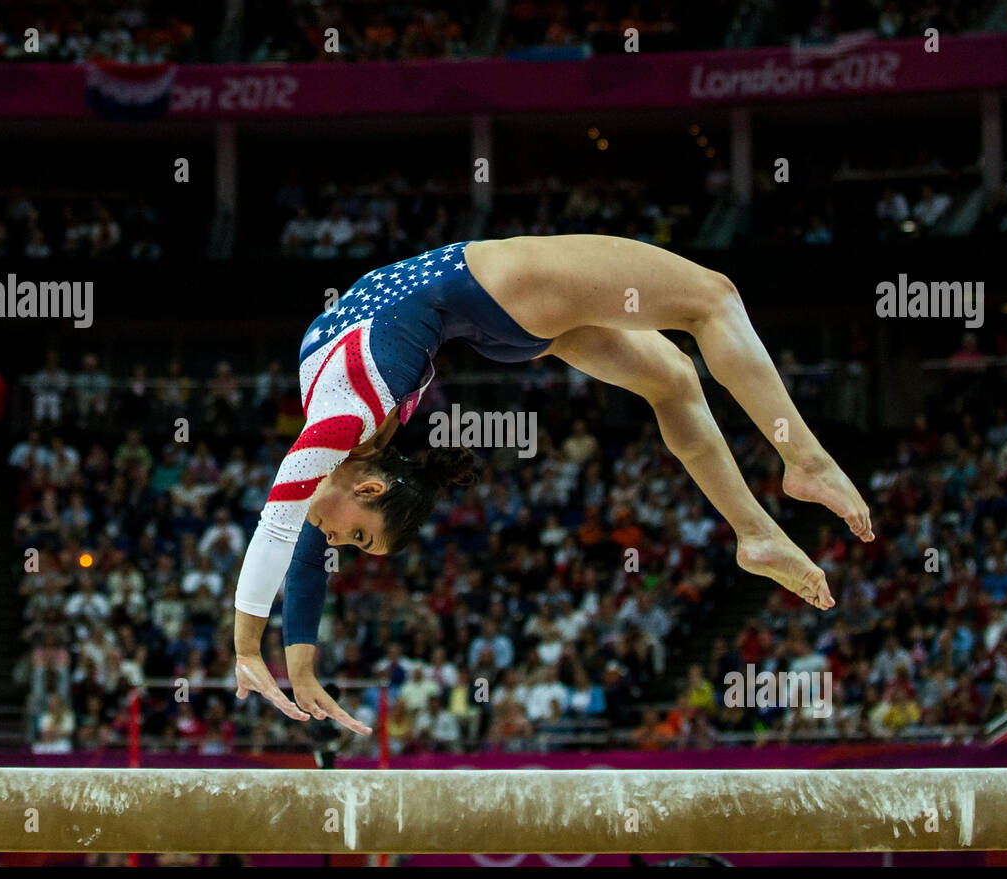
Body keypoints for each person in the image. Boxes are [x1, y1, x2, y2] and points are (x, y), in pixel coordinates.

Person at [232, 235, 873, 733]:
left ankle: (757, 530)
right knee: (713, 298)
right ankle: (804, 465)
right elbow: (305, 543)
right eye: (356, 542)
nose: (333, 541)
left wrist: (250, 652)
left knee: (676, 377)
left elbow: (282, 527)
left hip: (500, 312)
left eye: (353, 538)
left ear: (368, 491)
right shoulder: (345, 446)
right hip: (502, 292)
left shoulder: (340, 425)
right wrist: (301, 666)